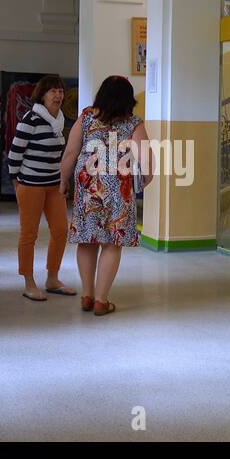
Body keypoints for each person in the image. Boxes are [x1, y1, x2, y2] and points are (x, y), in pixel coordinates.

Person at [61, 76, 152, 316]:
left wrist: (62, 182)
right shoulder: (133, 123)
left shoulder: (86, 117)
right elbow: (147, 158)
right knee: (112, 243)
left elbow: (70, 153)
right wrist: (146, 179)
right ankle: (102, 300)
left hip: (88, 185)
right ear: (128, 99)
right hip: (118, 189)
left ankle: (87, 295)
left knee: (87, 239)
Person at [8, 75, 76, 301]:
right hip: (30, 186)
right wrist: (17, 182)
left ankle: (52, 278)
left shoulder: (60, 120)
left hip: (53, 185)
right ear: (42, 95)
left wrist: (62, 181)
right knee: (29, 234)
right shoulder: (31, 118)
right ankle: (28, 282)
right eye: (52, 91)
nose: (57, 95)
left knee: (60, 231)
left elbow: (59, 156)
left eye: (60, 91)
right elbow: (15, 154)